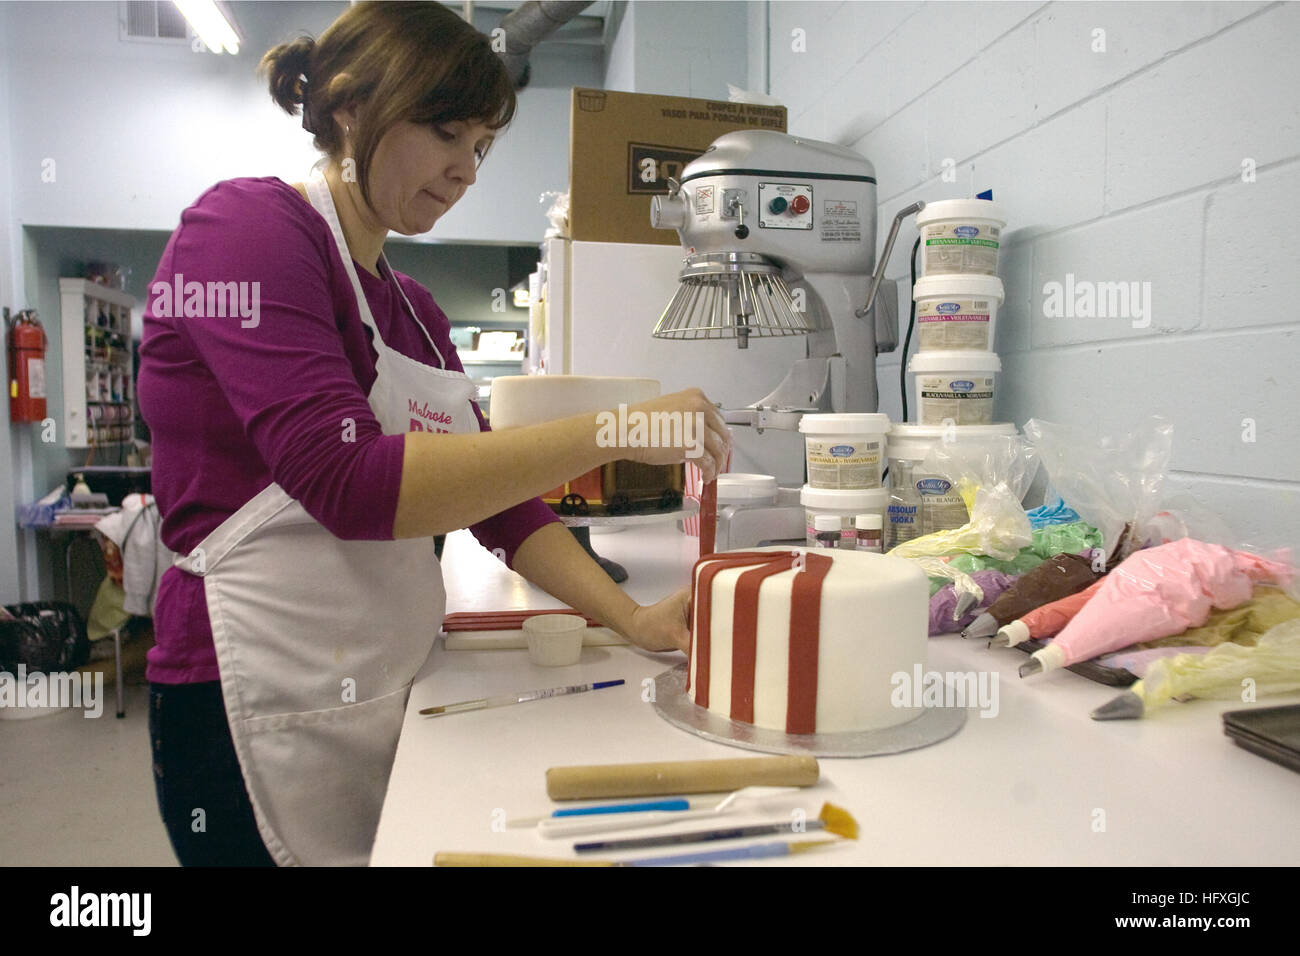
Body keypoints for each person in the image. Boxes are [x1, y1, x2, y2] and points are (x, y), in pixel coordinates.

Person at [137, 1, 729, 867]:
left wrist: (631, 617)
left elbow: (500, 507)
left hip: (389, 677)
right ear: (348, 105)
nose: (466, 171)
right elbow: (347, 484)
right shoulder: (248, 233)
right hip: (246, 688)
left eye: (481, 146)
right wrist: (609, 428)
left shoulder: (413, 313)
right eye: (447, 131)